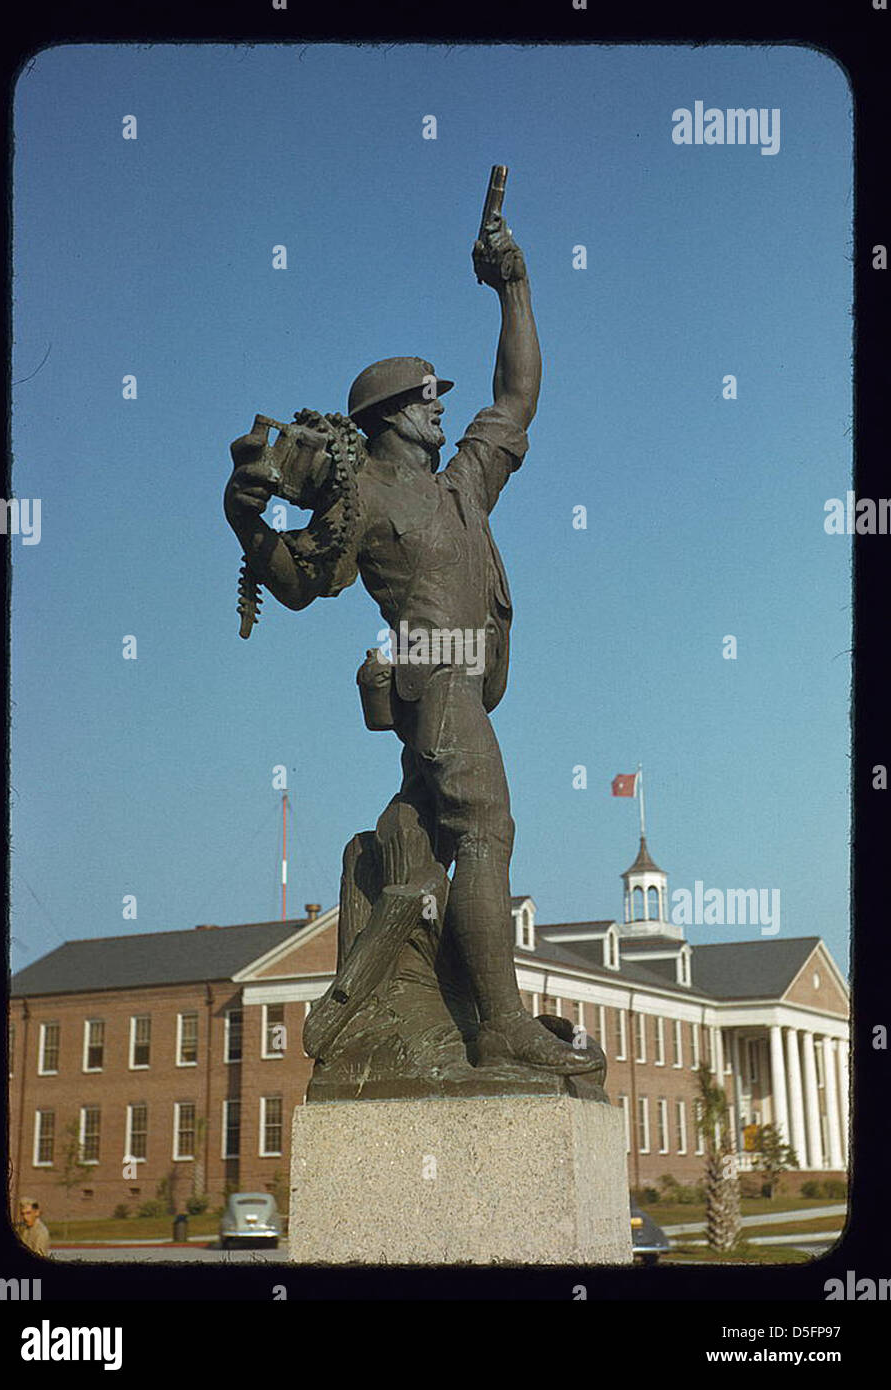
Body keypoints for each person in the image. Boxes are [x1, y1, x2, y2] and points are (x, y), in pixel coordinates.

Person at [225, 213, 602, 1079]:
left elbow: (516, 397)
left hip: (466, 684)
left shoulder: (461, 483)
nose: (443, 405)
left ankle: (426, 1004)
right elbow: (295, 582)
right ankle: (502, 1027)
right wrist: (244, 519)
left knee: (413, 849)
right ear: (393, 416)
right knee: (486, 828)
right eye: (430, 395)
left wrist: (513, 284)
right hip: (435, 686)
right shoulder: (367, 508)